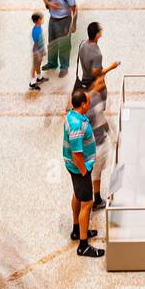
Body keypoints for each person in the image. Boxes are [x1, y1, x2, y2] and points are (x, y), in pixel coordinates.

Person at [75, 23, 119, 210]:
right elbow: (96, 73)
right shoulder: (97, 54)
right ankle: (96, 198)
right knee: (96, 170)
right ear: (98, 35)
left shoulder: (83, 44)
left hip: (83, 82)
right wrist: (110, 68)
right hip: (95, 144)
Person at [63, 87, 104, 258]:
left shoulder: (72, 115)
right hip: (79, 169)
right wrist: (84, 172)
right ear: (82, 105)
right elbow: (76, 154)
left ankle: (77, 229)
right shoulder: (76, 125)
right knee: (87, 203)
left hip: (75, 168)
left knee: (77, 195)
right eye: (87, 100)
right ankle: (83, 245)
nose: (90, 102)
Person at [43, 0, 77, 75]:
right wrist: (50, 4)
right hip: (53, 19)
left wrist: (74, 24)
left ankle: (64, 67)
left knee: (64, 45)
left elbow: (75, 9)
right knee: (52, 42)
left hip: (64, 20)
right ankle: (52, 63)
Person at [28, 10, 48, 91]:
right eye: (42, 19)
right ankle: (32, 83)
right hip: (37, 51)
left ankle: (39, 77)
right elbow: (39, 42)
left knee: (38, 65)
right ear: (38, 20)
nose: (43, 20)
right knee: (34, 66)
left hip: (38, 50)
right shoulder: (37, 30)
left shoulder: (38, 28)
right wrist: (43, 51)